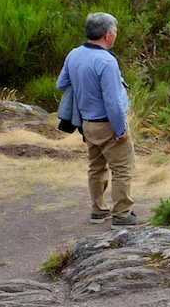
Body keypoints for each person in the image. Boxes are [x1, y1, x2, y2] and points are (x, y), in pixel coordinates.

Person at [56, 12, 135, 225]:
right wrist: (121, 131)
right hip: (108, 125)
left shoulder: (74, 54)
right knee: (123, 168)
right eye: (115, 31)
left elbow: (61, 84)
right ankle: (122, 214)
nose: (116, 34)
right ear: (107, 34)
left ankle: (98, 211)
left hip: (86, 124)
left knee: (96, 167)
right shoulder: (106, 61)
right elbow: (113, 103)